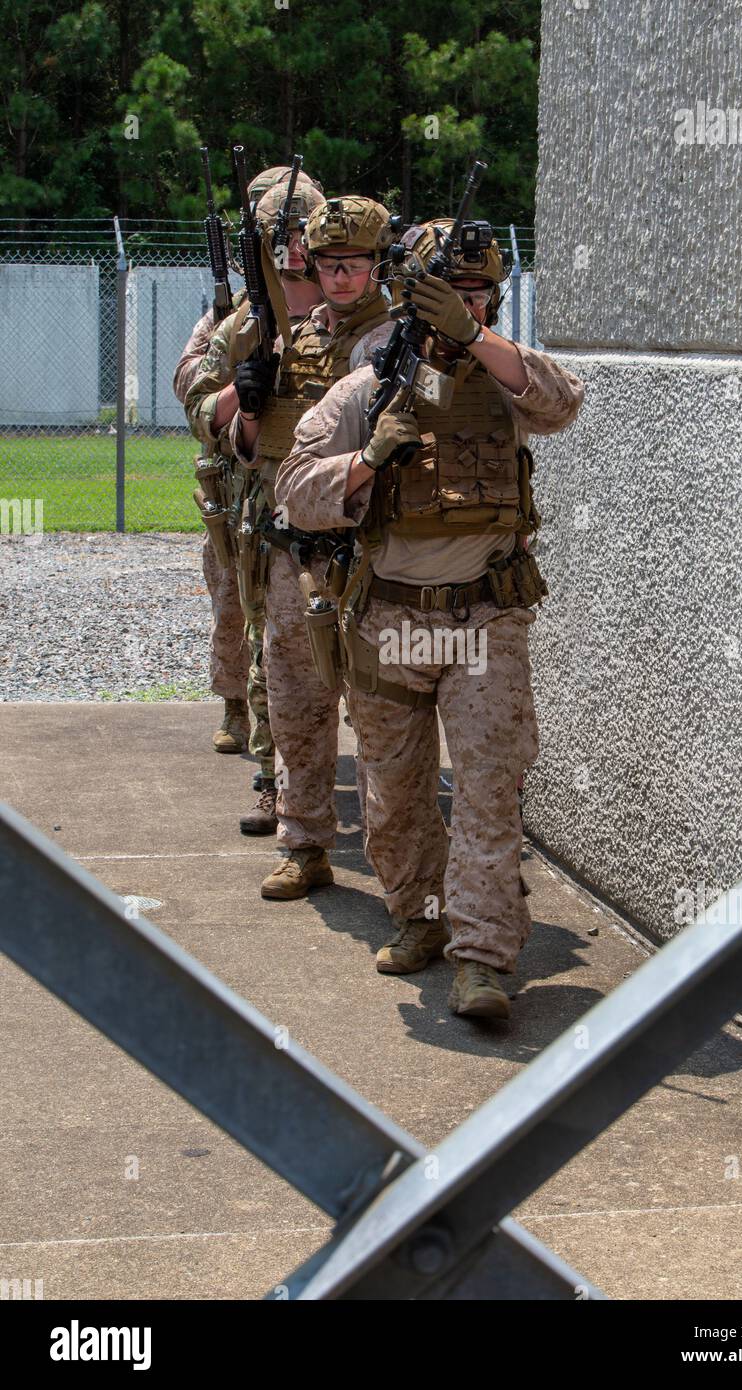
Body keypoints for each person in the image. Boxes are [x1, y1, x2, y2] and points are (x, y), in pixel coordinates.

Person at [275, 219, 584, 1020]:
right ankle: (420, 917)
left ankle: (482, 959)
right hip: (389, 621)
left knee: (487, 788)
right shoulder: (367, 385)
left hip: (485, 615)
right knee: (395, 789)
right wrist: (366, 460)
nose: (465, 302)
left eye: (478, 291)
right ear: (412, 297)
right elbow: (294, 492)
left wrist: (473, 336)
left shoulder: (506, 380)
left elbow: (561, 402)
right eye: (449, 292)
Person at [229, 196, 397, 891]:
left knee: (381, 712)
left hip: (371, 557)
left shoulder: (397, 343)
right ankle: (304, 844)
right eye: (329, 264)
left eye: (354, 265)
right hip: (294, 552)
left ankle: (401, 864)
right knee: (297, 700)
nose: (341, 277)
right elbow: (253, 455)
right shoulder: (294, 340)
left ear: (377, 266)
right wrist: (248, 401)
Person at [184, 173, 326, 833]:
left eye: (305, 235)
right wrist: (245, 391)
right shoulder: (241, 321)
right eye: (281, 238)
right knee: (267, 632)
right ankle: (272, 772)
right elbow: (200, 396)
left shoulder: (354, 312)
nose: (294, 250)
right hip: (260, 494)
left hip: (340, 499)